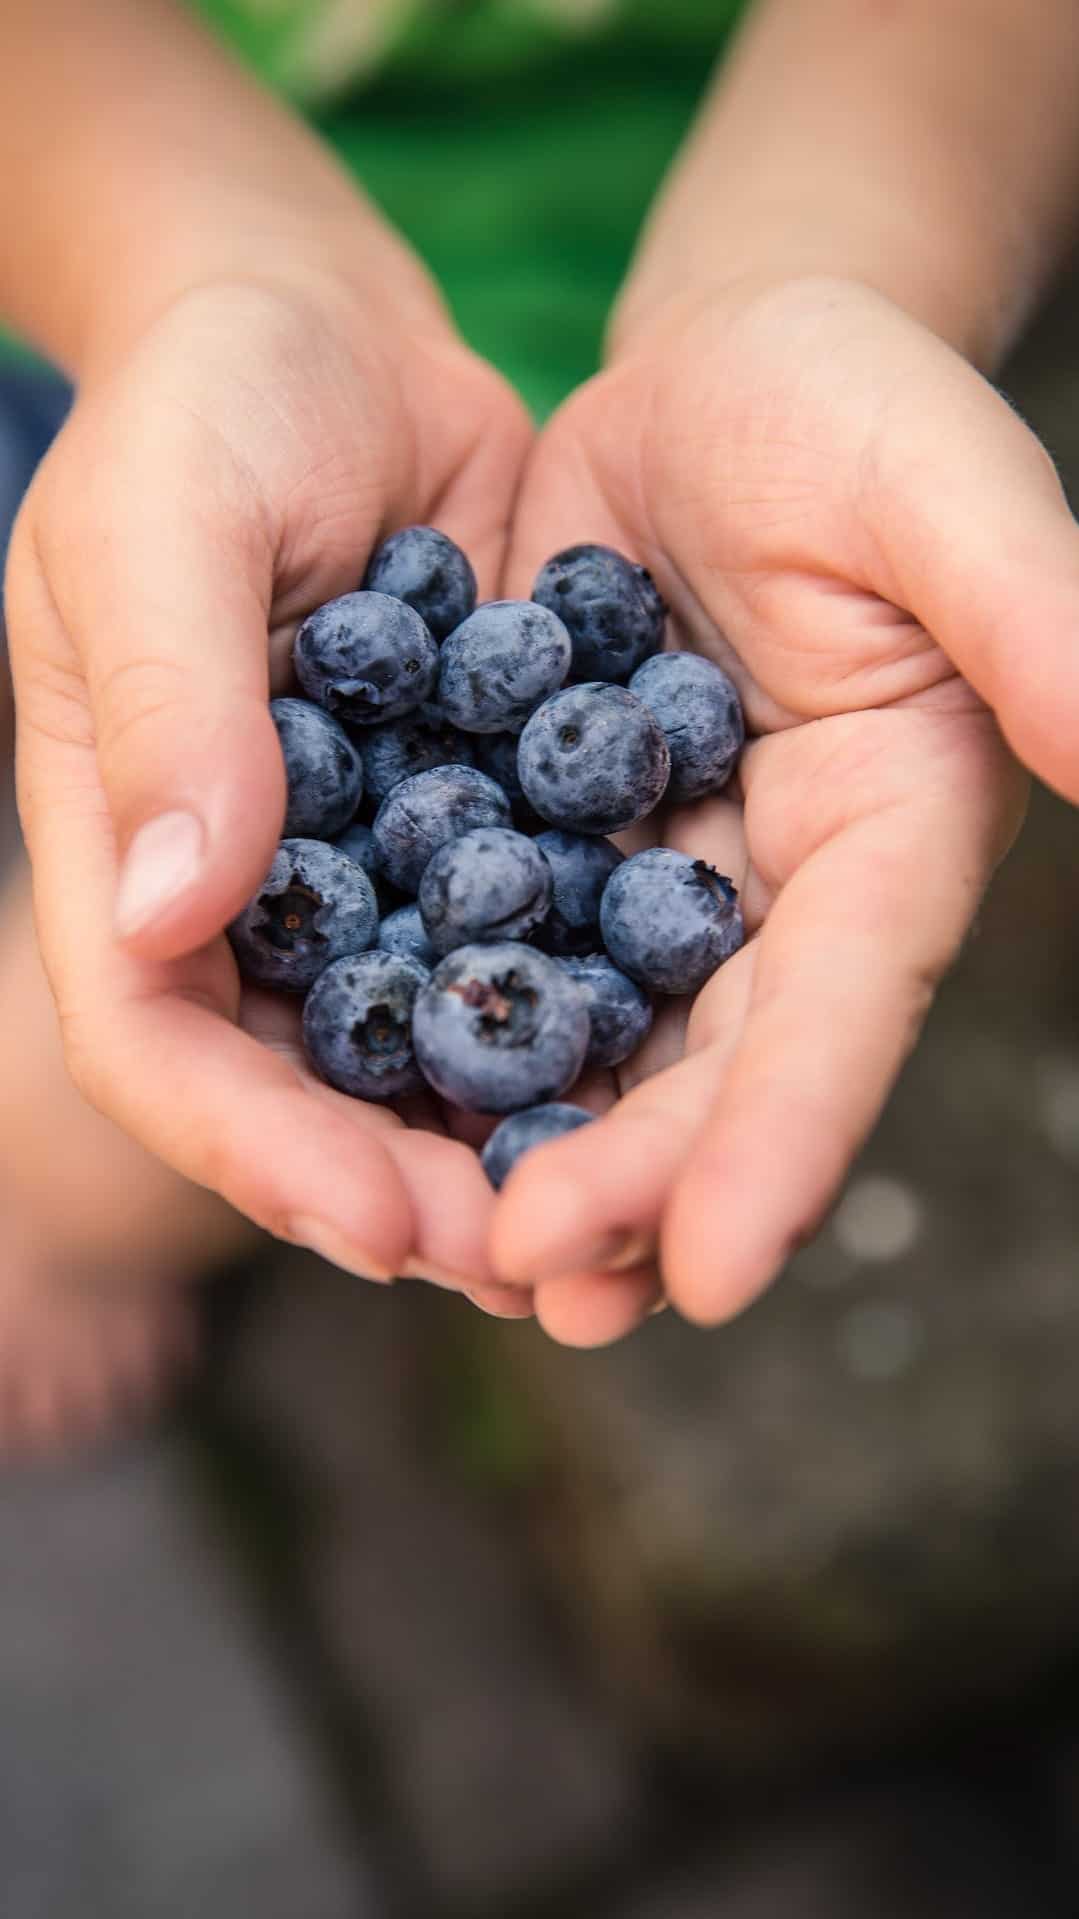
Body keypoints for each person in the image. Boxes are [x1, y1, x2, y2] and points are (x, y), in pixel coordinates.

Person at [0, 0, 1077, 1447]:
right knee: (116, 656)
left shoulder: (545, 793)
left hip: (673, 360)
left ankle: (64, 1214)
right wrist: (198, 277)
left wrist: (830, 274)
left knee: (118, 1088)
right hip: (155, 301)